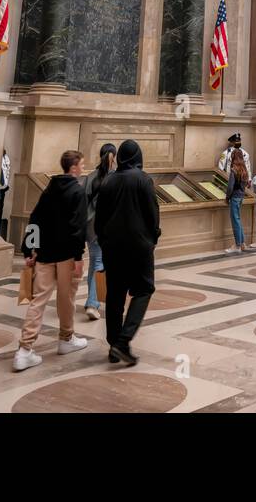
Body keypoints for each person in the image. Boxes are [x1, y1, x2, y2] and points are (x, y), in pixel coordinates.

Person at [13, 150, 89, 371]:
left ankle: (24, 349)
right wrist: (78, 256)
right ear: (73, 168)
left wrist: (29, 249)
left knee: (38, 300)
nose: (83, 168)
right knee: (66, 299)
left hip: (44, 254)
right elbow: (78, 227)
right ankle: (66, 338)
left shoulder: (48, 190)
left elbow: (35, 219)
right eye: (81, 165)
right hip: (66, 255)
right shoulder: (77, 191)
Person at [94, 139, 162, 364]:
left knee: (115, 294)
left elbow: (99, 218)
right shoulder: (143, 180)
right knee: (143, 289)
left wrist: (104, 241)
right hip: (139, 246)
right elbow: (153, 213)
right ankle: (123, 342)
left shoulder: (108, 181)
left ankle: (114, 344)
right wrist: (153, 237)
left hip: (112, 247)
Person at [82, 142, 118, 319]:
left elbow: (83, 203)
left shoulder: (90, 177)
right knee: (99, 264)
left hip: (90, 227)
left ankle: (94, 300)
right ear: (114, 157)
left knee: (94, 263)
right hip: (106, 228)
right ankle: (92, 303)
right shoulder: (115, 178)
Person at [224, 146, 253, 254]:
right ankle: (242, 243)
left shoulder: (234, 170)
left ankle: (237, 245)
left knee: (235, 221)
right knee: (238, 220)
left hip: (234, 197)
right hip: (240, 196)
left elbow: (230, 186)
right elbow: (245, 184)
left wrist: (227, 197)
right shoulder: (244, 169)